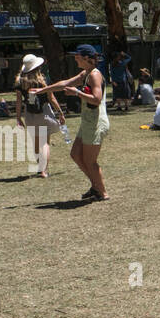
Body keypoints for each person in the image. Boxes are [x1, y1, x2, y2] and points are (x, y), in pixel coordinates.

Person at [29, 43, 110, 201]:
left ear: (86, 58)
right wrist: (42, 91)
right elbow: (64, 83)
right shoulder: (85, 73)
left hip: (96, 123)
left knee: (89, 161)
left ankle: (102, 192)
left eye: (78, 56)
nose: (75, 58)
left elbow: (97, 99)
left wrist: (77, 93)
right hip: (88, 122)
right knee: (75, 154)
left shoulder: (94, 75)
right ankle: (96, 186)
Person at [13, 55, 67, 178]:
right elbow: (51, 98)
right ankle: (44, 170)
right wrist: (60, 112)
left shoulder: (20, 82)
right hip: (44, 112)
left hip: (29, 114)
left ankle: (40, 167)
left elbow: (18, 101)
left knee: (36, 143)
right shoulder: (42, 81)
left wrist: (18, 117)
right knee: (45, 143)